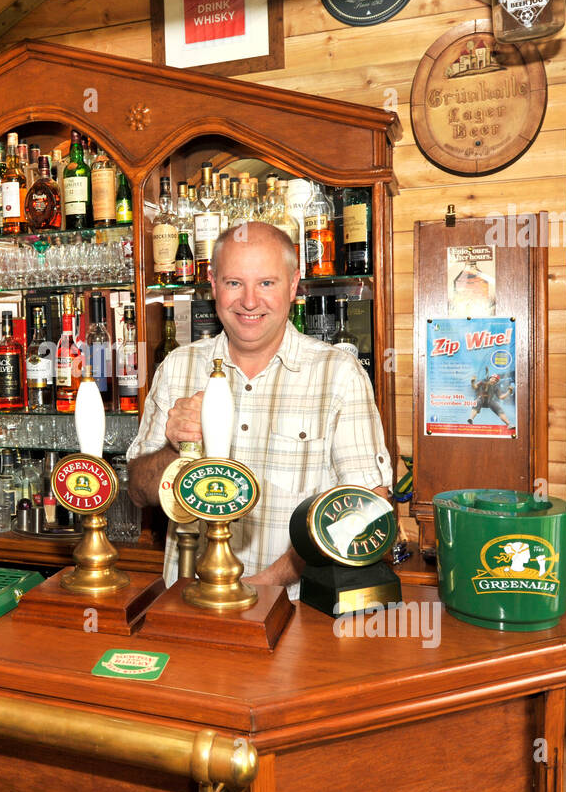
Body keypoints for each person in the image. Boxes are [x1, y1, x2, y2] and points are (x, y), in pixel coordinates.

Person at [126, 222, 391, 596]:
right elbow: (138, 491)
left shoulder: (338, 374)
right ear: (213, 284)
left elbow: (367, 506)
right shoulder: (177, 368)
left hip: (295, 610)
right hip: (188, 606)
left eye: (266, 283)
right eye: (234, 283)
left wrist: (266, 583)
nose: (249, 301)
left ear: (294, 284)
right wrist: (175, 448)